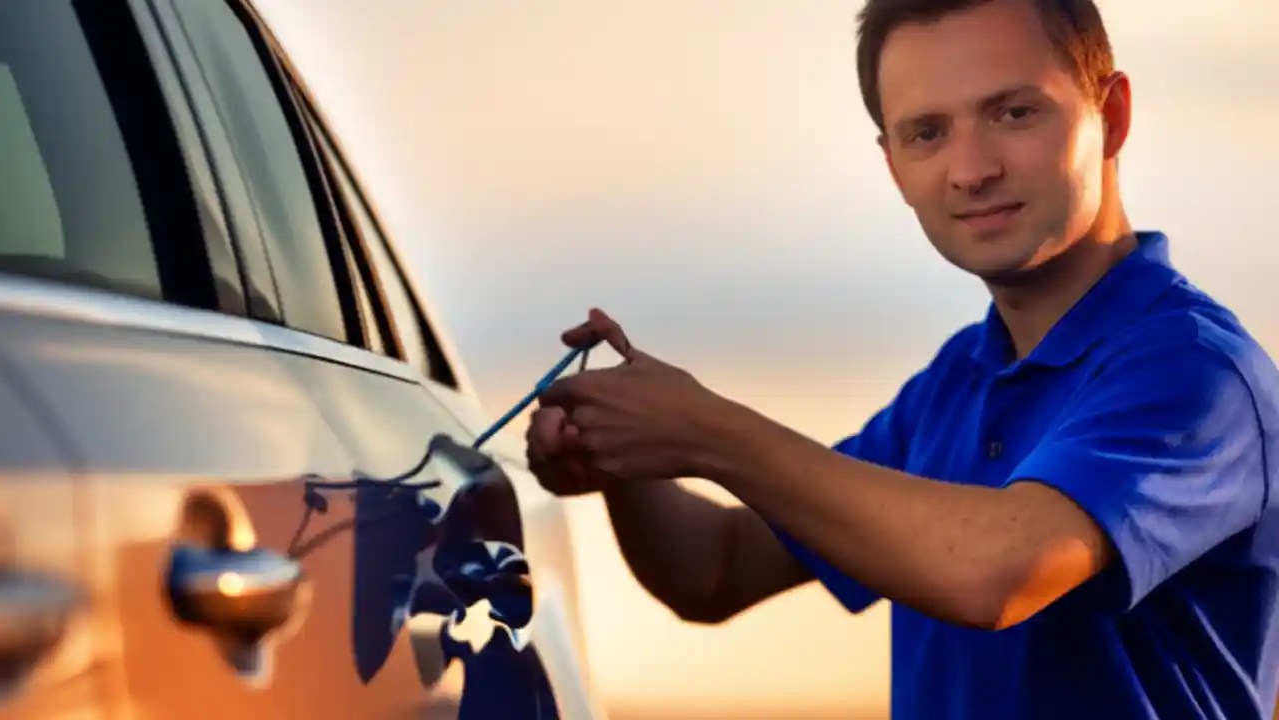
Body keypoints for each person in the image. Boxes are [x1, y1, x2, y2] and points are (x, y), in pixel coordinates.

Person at [524, 0, 1279, 717]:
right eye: (927, 132)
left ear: (1109, 116)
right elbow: (715, 569)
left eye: (1013, 112)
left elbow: (995, 574)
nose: (971, 169)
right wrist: (620, 456)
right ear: (892, 165)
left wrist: (707, 431)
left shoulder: (1197, 372)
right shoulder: (955, 382)